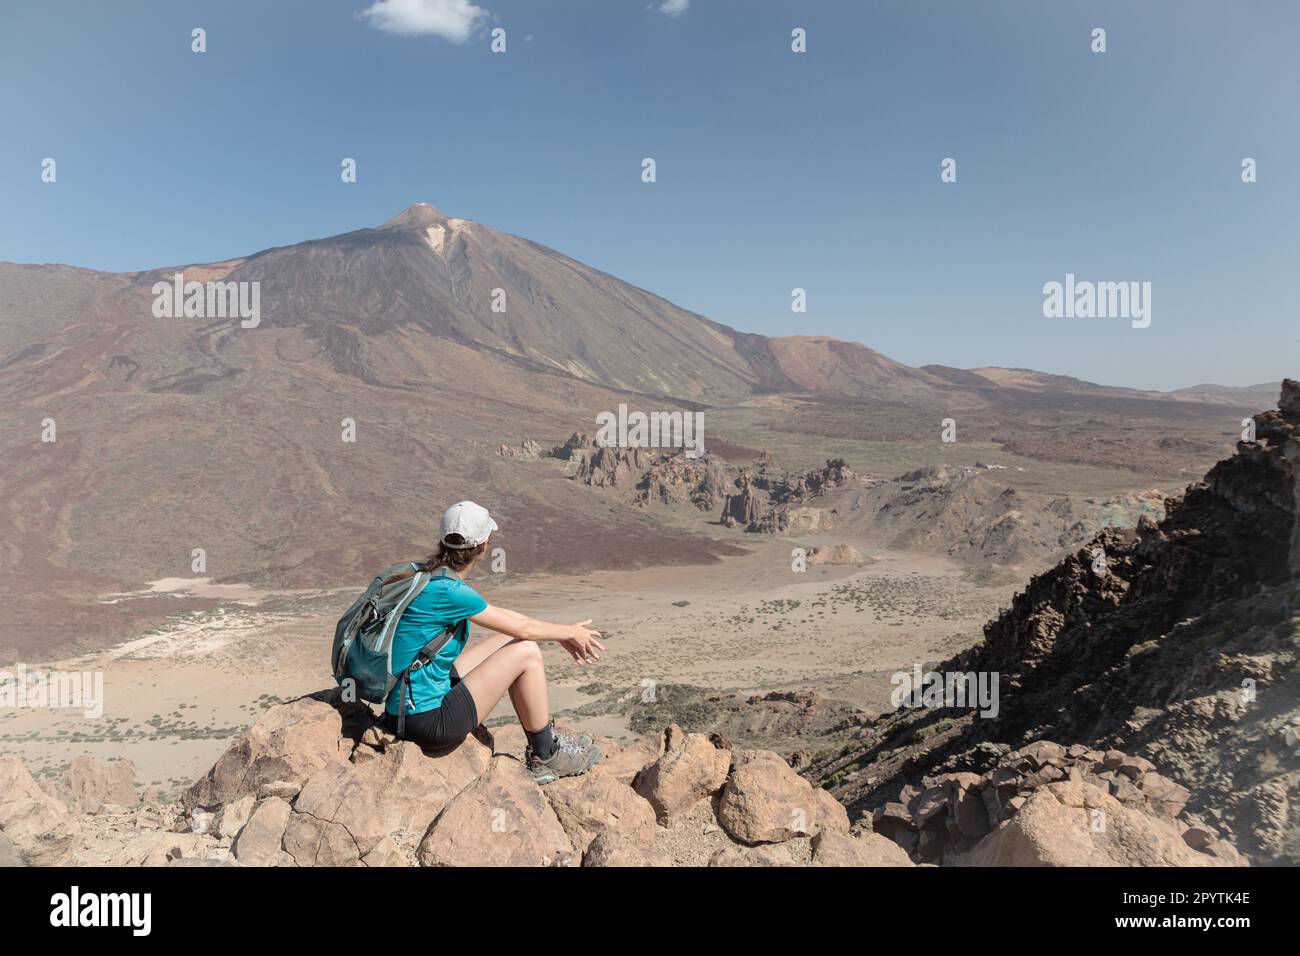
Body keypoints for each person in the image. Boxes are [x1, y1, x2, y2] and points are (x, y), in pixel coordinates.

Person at [379, 500, 604, 783]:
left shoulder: (426, 576)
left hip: (401, 707)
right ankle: (546, 755)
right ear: (484, 547)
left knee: (512, 639)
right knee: (527, 652)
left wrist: (561, 631)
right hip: (427, 722)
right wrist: (569, 632)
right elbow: (524, 627)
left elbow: (512, 623)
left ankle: (546, 742)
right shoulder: (451, 591)